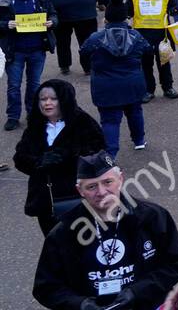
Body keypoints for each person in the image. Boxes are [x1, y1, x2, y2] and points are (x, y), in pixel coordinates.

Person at [33, 151, 178, 310]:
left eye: (107, 182)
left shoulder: (152, 218)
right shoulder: (64, 232)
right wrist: (79, 304)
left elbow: (176, 264)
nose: (101, 192)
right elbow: (45, 287)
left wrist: (137, 292)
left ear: (121, 179)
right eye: (91, 187)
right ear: (80, 191)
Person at [13, 79, 107, 237]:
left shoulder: (83, 122)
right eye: (43, 99)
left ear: (64, 100)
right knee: (54, 245)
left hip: (76, 198)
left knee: (81, 247)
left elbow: (98, 155)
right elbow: (20, 158)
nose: (47, 103)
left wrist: (67, 157)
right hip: (45, 200)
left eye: (53, 99)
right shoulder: (35, 125)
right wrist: (39, 161)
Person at [79, 0, 150, 156]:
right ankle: (139, 141)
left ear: (106, 19)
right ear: (125, 18)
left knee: (110, 120)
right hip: (132, 82)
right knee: (135, 112)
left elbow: (83, 53)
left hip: (105, 85)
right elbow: (147, 51)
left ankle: (110, 154)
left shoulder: (95, 39)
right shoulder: (136, 37)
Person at [1, 0, 56, 130]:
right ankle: (13, 117)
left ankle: (33, 114)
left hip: (37, 50)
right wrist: (5, 25)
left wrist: (52, 22)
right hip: (15, 50)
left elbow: (53, 14)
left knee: (34, 85)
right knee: (14, 86)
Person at [126, 0, 178, 101]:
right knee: (145, 63)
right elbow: (128, 10)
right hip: (141, 33)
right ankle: (148, 90)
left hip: (161, 33)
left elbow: (173, 6)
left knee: (164, 62)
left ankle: (168, 87)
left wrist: (174, 10)